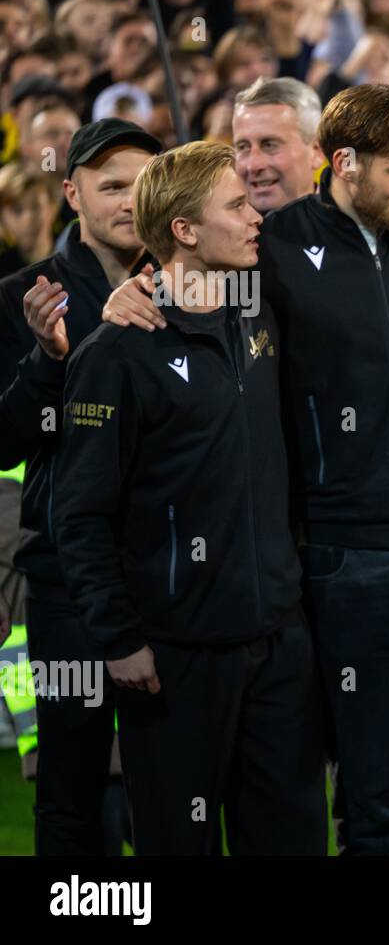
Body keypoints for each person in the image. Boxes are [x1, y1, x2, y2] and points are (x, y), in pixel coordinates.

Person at [98, 84, 389, 856]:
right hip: (344, 562)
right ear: (345, 164)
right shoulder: (272, 246)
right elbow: (193, 290)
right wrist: (137, 293)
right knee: (373, 793)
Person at [53, 140, 326, 855]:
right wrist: (118, 639)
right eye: (235, 207)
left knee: (292, 839)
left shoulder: (263, 310)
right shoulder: (114, 353)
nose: (254, 216)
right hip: (173, 659)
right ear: (184, 230)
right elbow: (78, 513)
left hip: (278, 641)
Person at [1, 118, 159, 854]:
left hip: (173, 574)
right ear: (72, 194)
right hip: (67, 582)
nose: (129, 201)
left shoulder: (200, 287)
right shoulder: (20, 296)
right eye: (110, 186)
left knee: (175, 784)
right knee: (72, 782)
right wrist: (46, 361)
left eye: (143, 183)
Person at [232, 77, 325, 215]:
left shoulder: (352, 231)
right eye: (243, 147)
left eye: (269, 145)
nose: (253, 165)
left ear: (317, 152)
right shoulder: (213, 234)